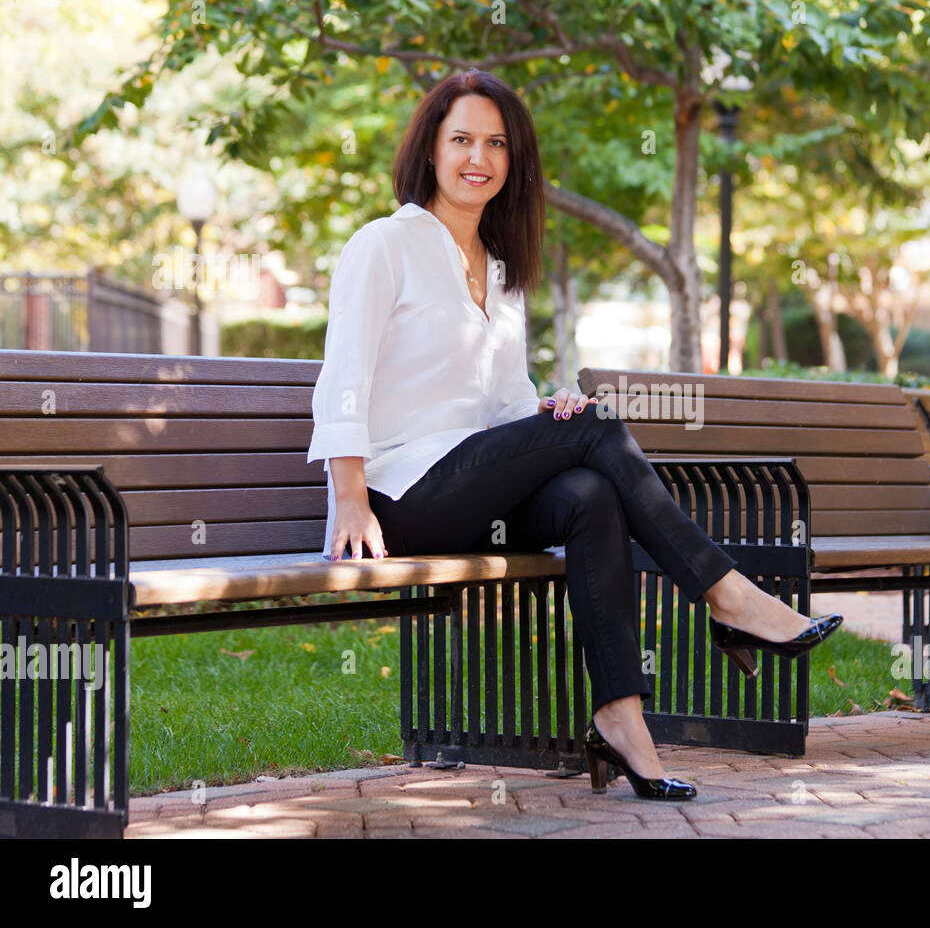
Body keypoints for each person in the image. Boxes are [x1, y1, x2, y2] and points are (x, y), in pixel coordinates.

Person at [307, 68, 842, 801]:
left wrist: (544, 414)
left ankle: (621, 719)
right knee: (596, 425)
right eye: (461, 138)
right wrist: (349, 496)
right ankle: (729, 597)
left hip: (469, 490)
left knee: (590, 491)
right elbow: (344, 377)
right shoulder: (383, 246)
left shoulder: (500, 274)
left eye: (496, 143)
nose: (478, 157)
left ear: (513, 161)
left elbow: (501, 407)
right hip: (397, 497)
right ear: (429, 150)